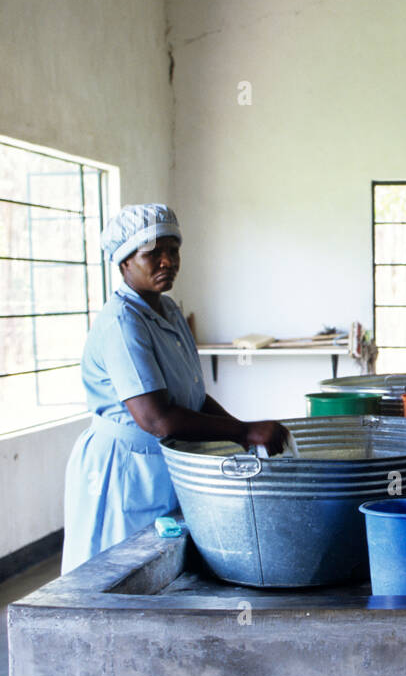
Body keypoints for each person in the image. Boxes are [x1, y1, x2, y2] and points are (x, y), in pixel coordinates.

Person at [61, 204, 289, 574]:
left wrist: (243, 433)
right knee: (116, 576)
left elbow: (193, 397)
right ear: (124, 263)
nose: (167, 261)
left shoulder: (167, 311)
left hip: (162, 462)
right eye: (153, 254)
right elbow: (157, 419)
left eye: (173, 250)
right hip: (124, 467)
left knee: (161, 568)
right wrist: (243, 431)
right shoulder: (123, 323)